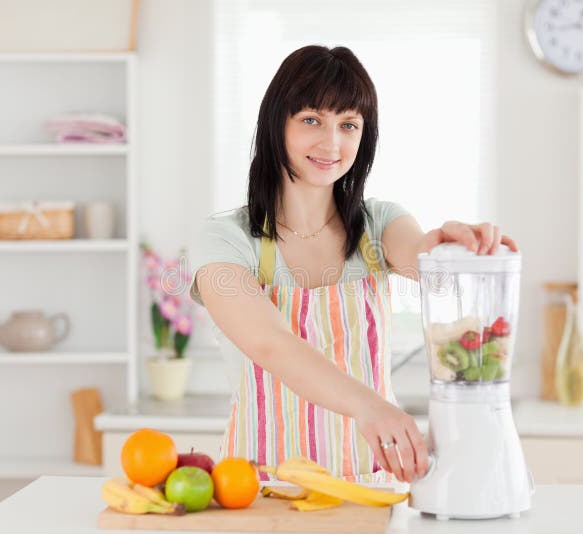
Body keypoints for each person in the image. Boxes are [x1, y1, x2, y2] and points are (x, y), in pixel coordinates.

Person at [190, 45, 517, 483]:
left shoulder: (379, 224)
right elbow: (271, 344)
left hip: (371, 485)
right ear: (277, 125)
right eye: (311, 120)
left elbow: (422, 256)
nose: (331, 143)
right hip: (260, 489)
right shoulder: (226, 239)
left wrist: (449, 250)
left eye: (348, 125)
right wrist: (370, 406)